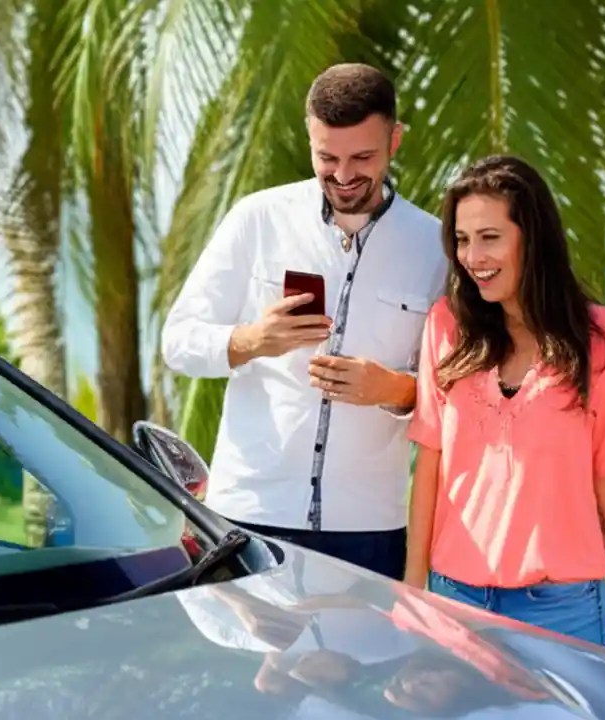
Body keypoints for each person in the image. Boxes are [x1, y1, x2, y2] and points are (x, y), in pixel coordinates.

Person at [160, 63, 446, 579]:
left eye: (362, 157)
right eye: (327, 157)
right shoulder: (257, 219)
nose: (343, 175)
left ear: (395, 140)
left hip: (368, 529)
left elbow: (460, 389)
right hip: (248, 514)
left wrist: (395, 389)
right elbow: (177, 342)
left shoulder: (435, 247)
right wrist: (251, 340)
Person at [402, 154, 605, 665]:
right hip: (456, 601)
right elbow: (429, 463)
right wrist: (415, 590)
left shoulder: (604, 340)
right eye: (462, 239)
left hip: (562, 611)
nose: (473, 256)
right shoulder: (447, 327)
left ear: (533, 238)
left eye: (490, 237)